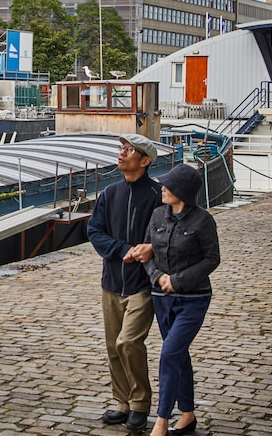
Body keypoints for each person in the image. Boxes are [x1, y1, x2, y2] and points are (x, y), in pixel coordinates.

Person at [86, 134, 164, 431]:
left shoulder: (158, 195)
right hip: (111, 282)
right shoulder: (110, 193)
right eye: (122, 148)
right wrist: (122, 250)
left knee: (128, 342)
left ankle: (141, 403)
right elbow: (95, 231)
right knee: (112, 346)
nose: (122, 153)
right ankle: (122, 402)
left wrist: (149, 247)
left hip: (143, 283)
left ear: (145, 161)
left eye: (129, 150)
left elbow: (167, 232)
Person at [143, 163, 221, 436]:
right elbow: (147, 254)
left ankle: (162, 420)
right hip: (161, 298)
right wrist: (158, 278)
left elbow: (212, 259)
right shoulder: (156, 217)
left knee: (169, 353)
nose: (163, 188)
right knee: (178, 355)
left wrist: (177, 281)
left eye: (169, 186)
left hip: (193, 299)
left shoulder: (203, 221)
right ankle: (187, 414)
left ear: (183, 192)